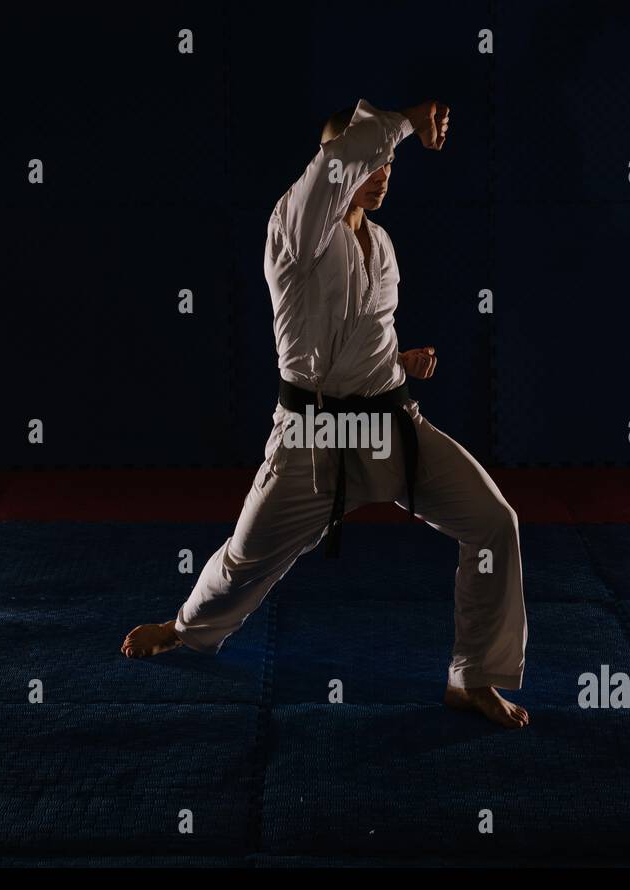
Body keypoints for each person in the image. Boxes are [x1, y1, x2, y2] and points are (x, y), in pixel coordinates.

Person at [123, 99, 530, 728]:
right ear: (329, 165)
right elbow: (342, 158)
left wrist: (402, 357)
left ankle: (471, 676)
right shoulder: (295, 225)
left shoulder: (382, 241)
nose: (386, 169)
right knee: (245, 559)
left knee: (494, 523)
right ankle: (183, 628)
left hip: (394, 424)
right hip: (314, 436)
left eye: (392, 160)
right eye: (377, 157)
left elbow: (361, 328)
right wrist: (406, 118)